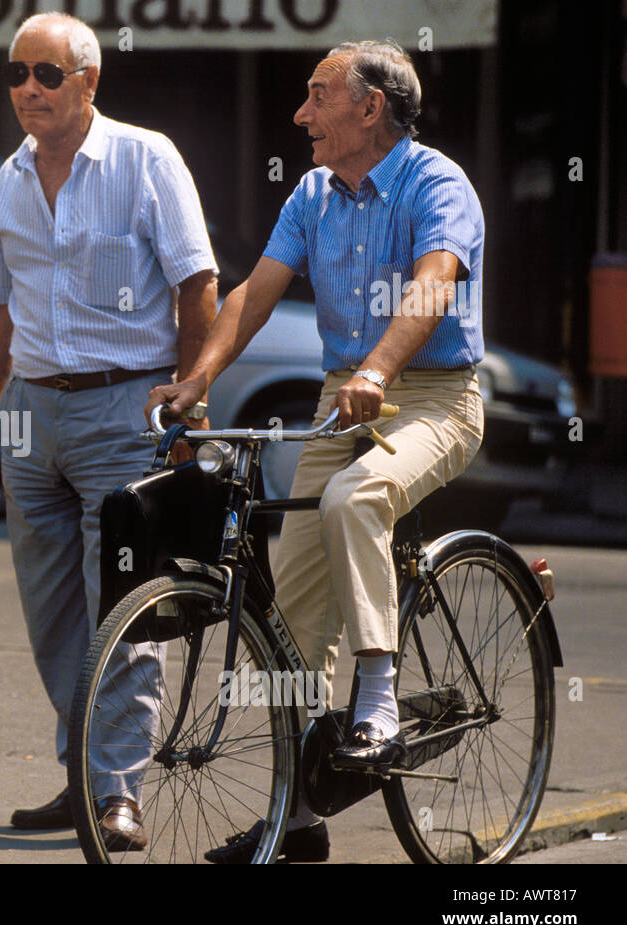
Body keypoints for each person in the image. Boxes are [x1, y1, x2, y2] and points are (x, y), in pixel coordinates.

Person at [146, 40, 485, 863]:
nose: (300, 115)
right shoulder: (312, 192)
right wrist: (193, 383)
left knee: (354, 499)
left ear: (370, 108)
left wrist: (377, 368)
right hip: (345, 398)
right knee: (287, 625)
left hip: (436, 393)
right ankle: (295, 818)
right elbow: (251, 297)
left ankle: (377, 690)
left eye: (316, 96)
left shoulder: (437, 183)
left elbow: (434, 283)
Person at [0, 12, 218, 851]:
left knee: (124, 606)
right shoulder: (7, 179)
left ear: (88, 81)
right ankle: (86, 776)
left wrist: (186, 407)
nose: (27, 88)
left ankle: (117, 792)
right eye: (15, 74)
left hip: (126, 406)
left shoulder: (146, 159)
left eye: (46, 73)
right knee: (53, 613)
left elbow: (197, 286)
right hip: (35, 409)